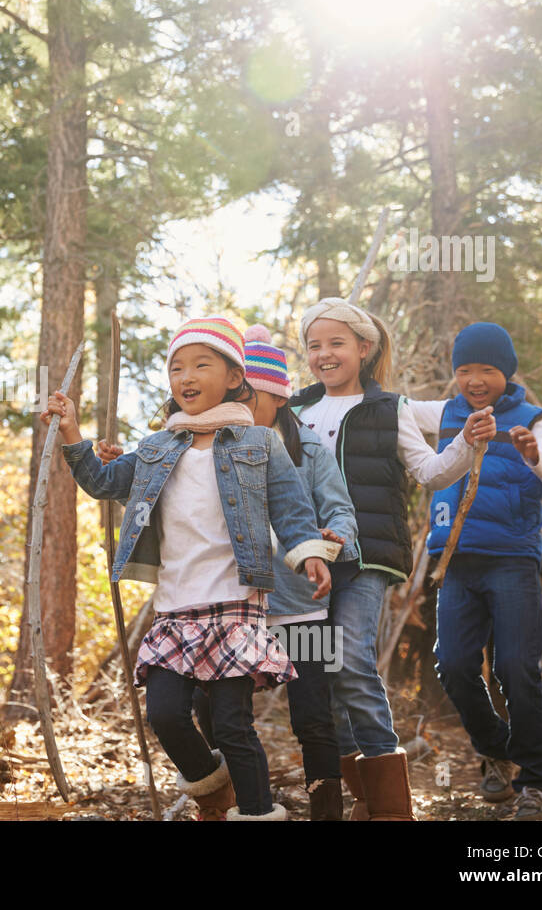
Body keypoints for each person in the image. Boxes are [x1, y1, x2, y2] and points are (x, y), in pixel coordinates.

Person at [43, 315, 338, 820]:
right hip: (176, 609)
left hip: (233, 606)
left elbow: (292, 509)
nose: (186, 376)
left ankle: (257, 811)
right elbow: (104, 483)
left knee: (232, 725)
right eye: (176, 367)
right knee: (165, 715)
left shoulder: (259, 444)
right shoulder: (157, 448)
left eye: (201, 364)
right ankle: (212, 792)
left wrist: (310, 552)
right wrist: (73, 433)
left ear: (232, 377)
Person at [290, 297, 496, 820]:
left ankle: (390, 806)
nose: (324, 354)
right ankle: (357, 796)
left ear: (364, 348)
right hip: (305, 558)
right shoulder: (294, 411)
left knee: (352, 659)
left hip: (366, 555)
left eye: (337, 343)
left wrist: (467, 445)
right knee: (320, 669)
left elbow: (429, 472)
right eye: (315, 345)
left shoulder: (391, 409)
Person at [189, 324, 359, 820]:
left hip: (304, 608)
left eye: (252, 396)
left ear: (279, 399)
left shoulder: (311, 452)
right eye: (237, 394)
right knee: (215, 711)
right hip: (237, 609)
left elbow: (341, 511)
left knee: (314, 717)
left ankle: (326, 811)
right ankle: (237, 803)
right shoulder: (210, 448)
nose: (241, 404)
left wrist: (334, 537)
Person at [409, 322, 542, 820]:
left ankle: (536, 783)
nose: (475, 379)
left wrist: (533, 456)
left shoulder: (530, 417)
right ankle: (497, 751)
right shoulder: (444, 413)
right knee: (454, 664)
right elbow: (382, 406)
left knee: (516, 669)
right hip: (456, 561)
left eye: (487, 369)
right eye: (464, 369)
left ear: (507, 371)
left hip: (512, 561)